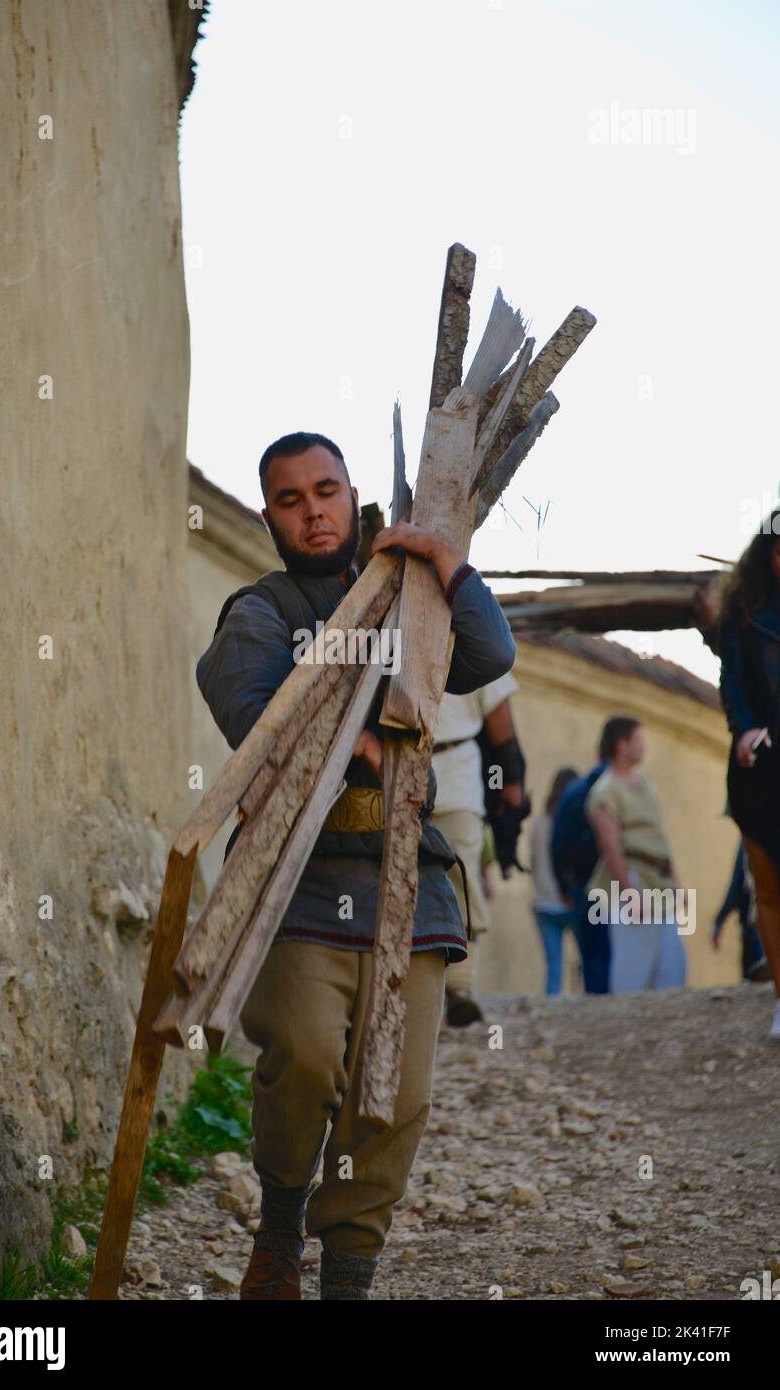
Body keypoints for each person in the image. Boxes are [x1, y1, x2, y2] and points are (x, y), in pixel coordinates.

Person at [196, 431, 516, 1300]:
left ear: (351, 494)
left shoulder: (408, 594)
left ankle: (347, 1280)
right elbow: (254, 715)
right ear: (269, 515)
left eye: (326, 491)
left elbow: (486, 658)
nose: (313, 511)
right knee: (302, 1053)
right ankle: (279, 1221)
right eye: (291, 500)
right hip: (299, 877)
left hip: (409, 878)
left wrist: (443, 563)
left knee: (395, 1099)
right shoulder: (258, 613)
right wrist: (354, 733)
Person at [716, 513, 780, 1037]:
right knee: (768, 888)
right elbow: (732, 676)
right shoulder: (742, 609)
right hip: (760, 762)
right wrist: (744, 730)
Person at [430, 675, 523, 1026]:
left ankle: (460, 986)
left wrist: (511, 781)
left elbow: (500, 719)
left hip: (457, 774)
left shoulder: (475, 633)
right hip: (395, 764)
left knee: (461, 881)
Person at [585, 716, 687, 994]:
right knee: (633, 966)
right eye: (638, 739)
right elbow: (611, 846)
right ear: (622, 744)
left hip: (660, 879)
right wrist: (629, 891)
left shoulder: (644, 786)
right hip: (634, 878)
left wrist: (677, 882)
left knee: (672, 962)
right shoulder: (606, 791)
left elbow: (661, 839)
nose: (644, 746)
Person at [551, 749, 609, 993]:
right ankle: (604, 998)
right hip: (606, 883)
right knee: (605, 947)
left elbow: (556, 845)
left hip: (578, 884)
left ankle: (594, 997)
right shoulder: (611, 789)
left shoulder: (572, 793)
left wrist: (562, 886)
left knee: (589, 948)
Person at [529, 768, 580, 994]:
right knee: (586, 962)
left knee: (554, 968)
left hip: (542, 902)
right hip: (570, 901)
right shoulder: (574, 824)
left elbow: (533, 863)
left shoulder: (539, 824)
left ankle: (550, 1014)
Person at [712, 842, 771, 982]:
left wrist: (719, 920)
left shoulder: (753, 837)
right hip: (757, 929)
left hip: (758, 931)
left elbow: (737, 882)